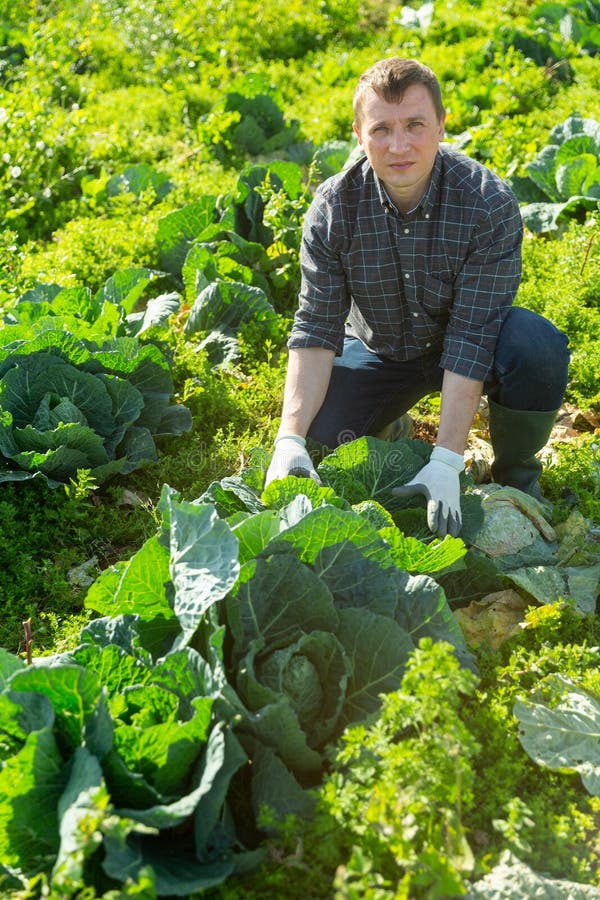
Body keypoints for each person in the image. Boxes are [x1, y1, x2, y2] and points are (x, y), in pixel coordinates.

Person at [264, 57, 570, 537]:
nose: (399, 145)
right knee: (323, 440)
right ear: (358, 135)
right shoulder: (334, 207)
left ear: (442, 127)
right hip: (380, 349)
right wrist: (289, 438)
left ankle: (516, 478)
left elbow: (472, 334)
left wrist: (447, 458)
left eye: (415, 125)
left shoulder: (486, 201)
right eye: (381, 129)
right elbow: (317, 326)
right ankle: (394, 426)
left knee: (537, 349)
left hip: (476, 347)